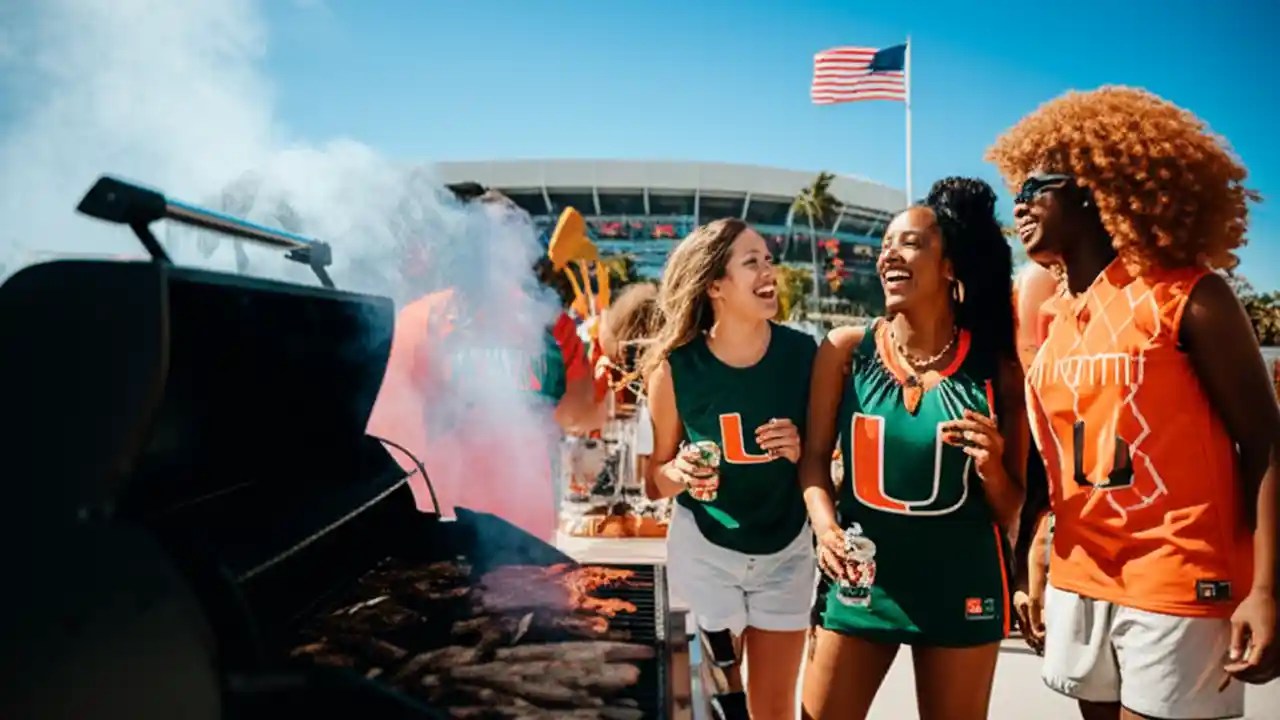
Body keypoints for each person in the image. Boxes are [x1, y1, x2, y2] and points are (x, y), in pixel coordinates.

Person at [987, 85, 1278, 719]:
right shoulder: (1056, 315)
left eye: (1040, 184)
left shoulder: (1191, 295)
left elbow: (1266, 442)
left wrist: (1267, 588)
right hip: (1081, 574)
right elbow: (1056, 467)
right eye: (1018, 186)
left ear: (1096, 187)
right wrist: (1036, 561)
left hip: (1180, 574)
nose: (1021, 201)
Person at [800, 177, 1026, 720]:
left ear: (950, 266)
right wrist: (826, 528)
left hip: (963, 587)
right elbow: (812, 463)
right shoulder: (844, 350)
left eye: (908, 243)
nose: (888, 256)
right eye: (884, 246)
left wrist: (993, 466)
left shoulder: (996, 369)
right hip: (861, 586)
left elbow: (1013, 507)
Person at [642, 218, 816, 719]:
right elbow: (655, 480)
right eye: (751, 261)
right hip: (705, 553)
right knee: (719, 707)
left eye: (768, 259)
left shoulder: (803, 354)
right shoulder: (676, 368)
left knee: (773, 707)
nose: (769, 271)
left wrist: (803, 448)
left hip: (785, 550)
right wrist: (682, 470)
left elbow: (832, 462)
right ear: (715, 285)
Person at [366, 184, 603, 541]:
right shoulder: (550, 321)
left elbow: (393, 436)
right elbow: (581, 416)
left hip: (456, 519)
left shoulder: (419, 318)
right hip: (503, 522)